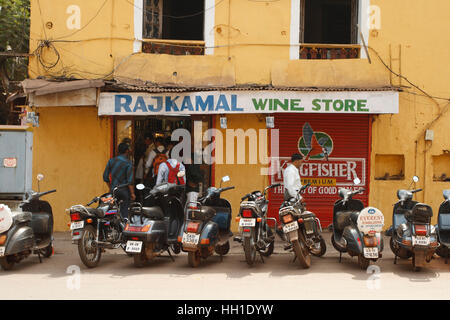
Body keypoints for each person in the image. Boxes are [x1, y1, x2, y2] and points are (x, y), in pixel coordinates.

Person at [103, 142, 135, 219]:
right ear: (127, 151)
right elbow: (130, 181)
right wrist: (132, 193)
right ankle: (124, 227)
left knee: (112, 211)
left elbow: (105, 177)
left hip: (114, 190)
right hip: (124, 191)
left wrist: (110, 187)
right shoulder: (128, 163)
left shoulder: (111, 161)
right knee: (124, 212)